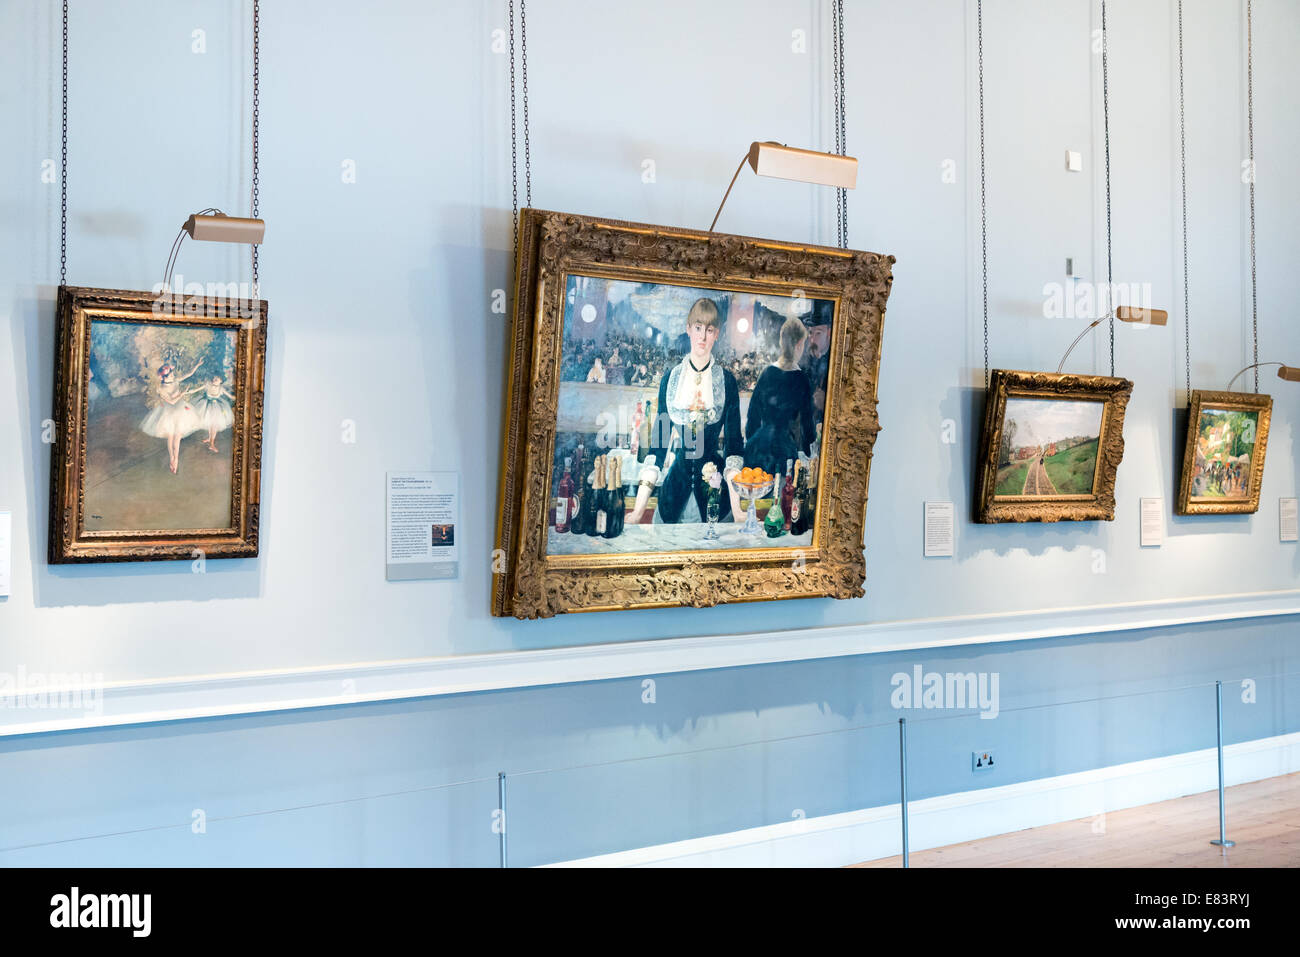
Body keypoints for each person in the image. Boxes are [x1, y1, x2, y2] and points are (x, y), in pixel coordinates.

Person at [628, 298, 744, 525]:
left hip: (715, 498)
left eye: (709, 330)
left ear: (716, 334)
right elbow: (658, 448)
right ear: (688, 329)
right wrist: (638, 511)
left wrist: (738, 511)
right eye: (698, 328)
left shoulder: (726, 382)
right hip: (674, 494)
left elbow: (733, 451)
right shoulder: (671, 380)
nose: (702, 337)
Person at [742, 317, 816, 475]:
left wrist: (752, 441)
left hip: (758, 446)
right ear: (798, 345)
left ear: (782, 343)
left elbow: (752, 416)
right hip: (784, 449)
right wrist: (809, 453)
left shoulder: (767, 373)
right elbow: (807, 424)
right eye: (803, 344)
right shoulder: (802, 380)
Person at [139, 360, 202, 474]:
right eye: (171, 374)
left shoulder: (175, 381)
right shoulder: (161, 389)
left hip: (180, 410)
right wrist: (182, 393)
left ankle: (175, 459)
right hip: (169, 412)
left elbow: (188, 374)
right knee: (171, 436)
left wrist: (196, 365)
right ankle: (171, 456)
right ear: (164, 377)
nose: (173, 375)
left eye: (172, 373)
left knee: (178, 435)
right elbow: (172, 402)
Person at [187, 374, 236, 453]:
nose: (214, 379)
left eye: (217, 379)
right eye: (214, 378)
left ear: (221, 381)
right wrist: (190, 391)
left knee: (214, 425)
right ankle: (210, 438)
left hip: (217, 407)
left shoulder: (221, 388)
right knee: (211, 423)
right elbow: (197, 389)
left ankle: (212, 444)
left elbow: (230, 396)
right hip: (205, 406)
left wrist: (236, 397)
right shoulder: (207, 385)